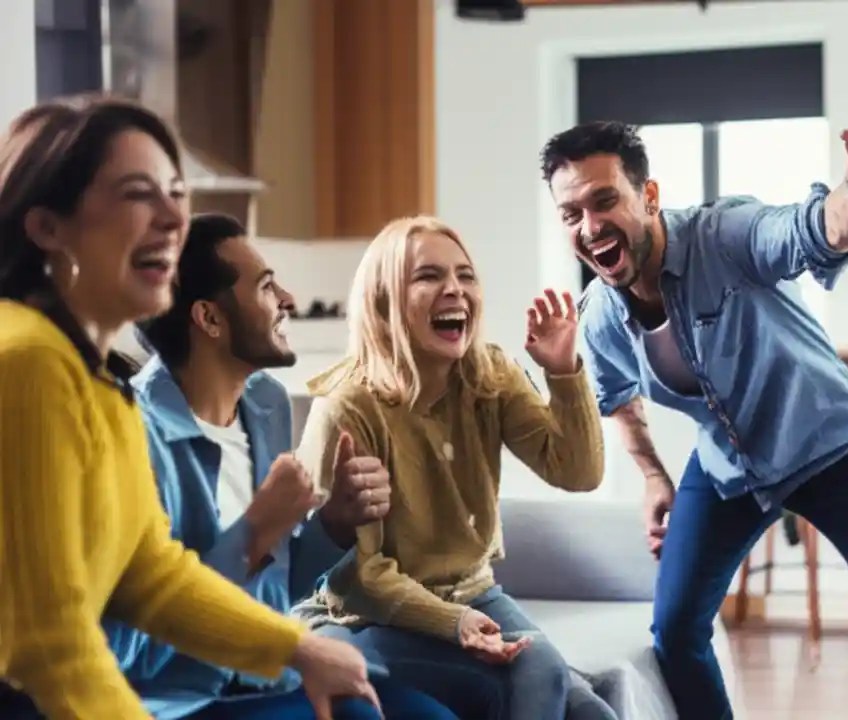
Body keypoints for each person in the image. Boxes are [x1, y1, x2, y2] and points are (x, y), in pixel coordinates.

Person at [539, 118, 848, 719]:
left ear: (649, 196)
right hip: (726, 466)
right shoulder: (601, 316)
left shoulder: (725, 235)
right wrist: (654, 477)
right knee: (677, 630)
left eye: (605, 200)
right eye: (571, 213)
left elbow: (817, 233)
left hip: (827, 445)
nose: (590, 226)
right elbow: (616, 398)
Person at [0, 95, 378, 720]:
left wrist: (297, 648)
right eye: (137, 193)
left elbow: (151, 574)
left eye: (176, 191)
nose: (174, 217)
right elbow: (47, 645)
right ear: (47, 227)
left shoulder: (101, 387)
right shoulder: (28, 364)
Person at [103, 212, 458, 719]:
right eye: (267, 286)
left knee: (433, 717)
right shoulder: (131, 436)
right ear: (210, 319)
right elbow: (127, 648)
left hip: (266, 680)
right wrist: (255, 533)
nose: (288, 300)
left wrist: (333, 524)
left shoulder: (264, 405)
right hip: (178, 703)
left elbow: (276, 594)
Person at [291, 216, 617, 720]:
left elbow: (578, 472)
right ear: (384, 299)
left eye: (465, 276)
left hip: (475, 595)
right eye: (429, 277)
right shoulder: (348, 406)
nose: (455, 290)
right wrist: (454, 621)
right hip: (363, 614)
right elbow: (360, 575)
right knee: (540, 672)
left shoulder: (490, 375)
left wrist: (563, 371)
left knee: (594, 714)